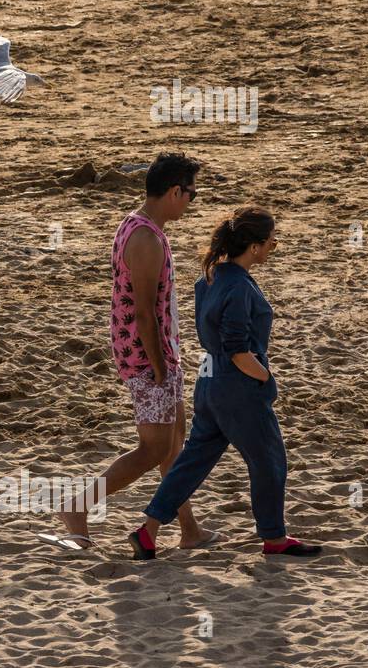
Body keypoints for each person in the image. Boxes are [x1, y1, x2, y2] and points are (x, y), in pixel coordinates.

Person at [41, 153, 212, 550]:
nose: (191, 202)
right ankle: (77, 507)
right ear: (174, 191)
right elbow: (144, 311)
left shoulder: (140, 226)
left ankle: (189, 529)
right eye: (191, 194)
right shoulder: (146, 239)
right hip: (147, 355)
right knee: (153, 448)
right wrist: (158, 366)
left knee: (174, 443)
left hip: (158, 351)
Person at [130, 207, 320, 559]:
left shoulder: (210, 278)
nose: (272, 249)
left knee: (193, 461)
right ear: (253, 246)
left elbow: (215, 340)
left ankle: (148, 530)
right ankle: (274, 538)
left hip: (207, 380)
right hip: (237, 385)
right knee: (269, 460)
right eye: (271, 244)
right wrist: (266, 377)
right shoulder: (240, 287)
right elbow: (237, 349)